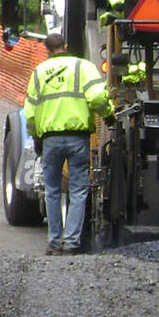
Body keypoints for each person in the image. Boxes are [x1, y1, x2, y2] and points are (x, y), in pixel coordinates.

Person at [23, 32, 115, 255]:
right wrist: (109, 115)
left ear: (47, 49)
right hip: (77, 138)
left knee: (52, 190)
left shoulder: (39, 73)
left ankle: (54, 243)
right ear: (65, 46)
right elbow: (97, 97)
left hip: (51, 140)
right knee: (78, 190)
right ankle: (72, 243)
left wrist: (36, 138)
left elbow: (30, 112)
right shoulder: (83, 67)